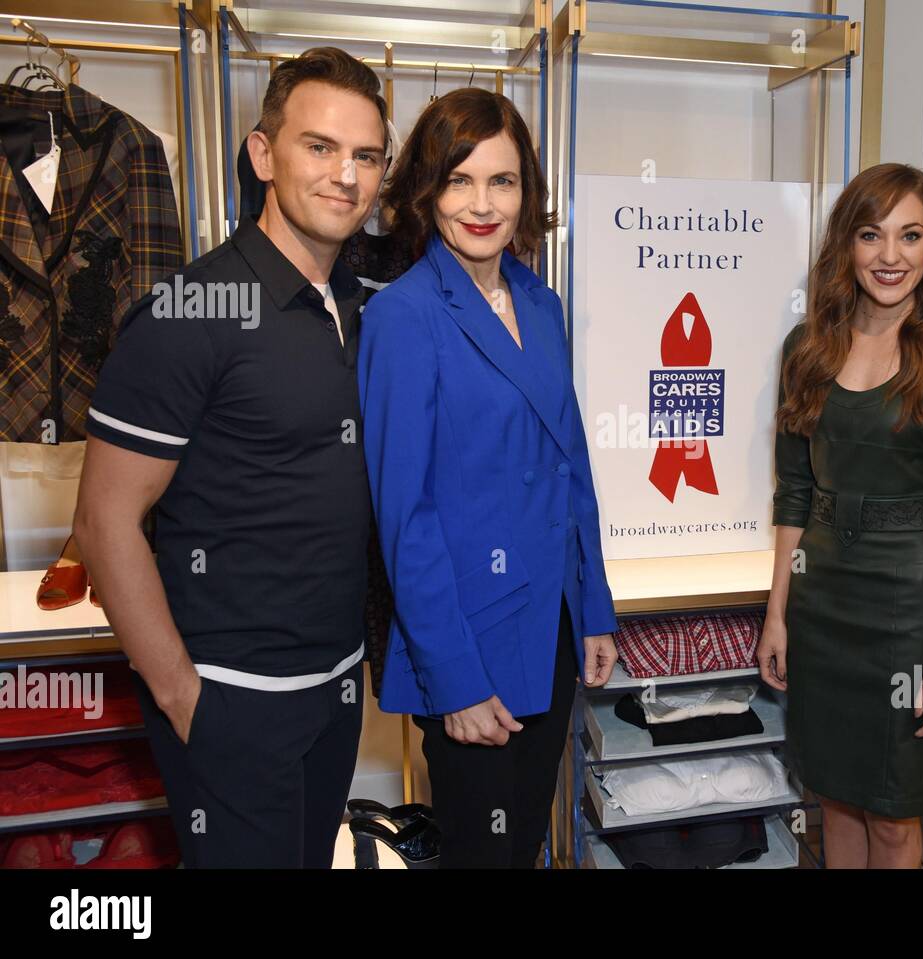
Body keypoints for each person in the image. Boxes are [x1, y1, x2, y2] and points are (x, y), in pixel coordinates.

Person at [73, 47, 388, 868]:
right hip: (232, 701)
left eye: (366, 156)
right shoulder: (191, 310)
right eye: (319, 147)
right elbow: (106, 520)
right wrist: (185, 698)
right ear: (263, 154)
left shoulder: (362, 307)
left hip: (336, 685)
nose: (345, 176)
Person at [358, 87, 619, 869]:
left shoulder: (541, 305)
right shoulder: (403, 316)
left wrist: (596, 608)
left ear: (526, 192)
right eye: (459, 179)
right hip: (470, 646)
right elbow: (405, 519)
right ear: (426, 190)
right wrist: (456, 680)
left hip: (553, 630)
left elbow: (572, 465)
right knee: (484, 855)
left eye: (501, 181)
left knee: (528, 842)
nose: (481, 203)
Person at [758, 163, 923, 868]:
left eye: (910, 235)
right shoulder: (806, 350)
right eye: (872, 234)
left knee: (895, 814)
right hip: (823, 600)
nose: (891, 256)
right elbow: (794, 491)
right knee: (834, 798)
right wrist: (778, 613)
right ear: (847, 245)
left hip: (910, 608)